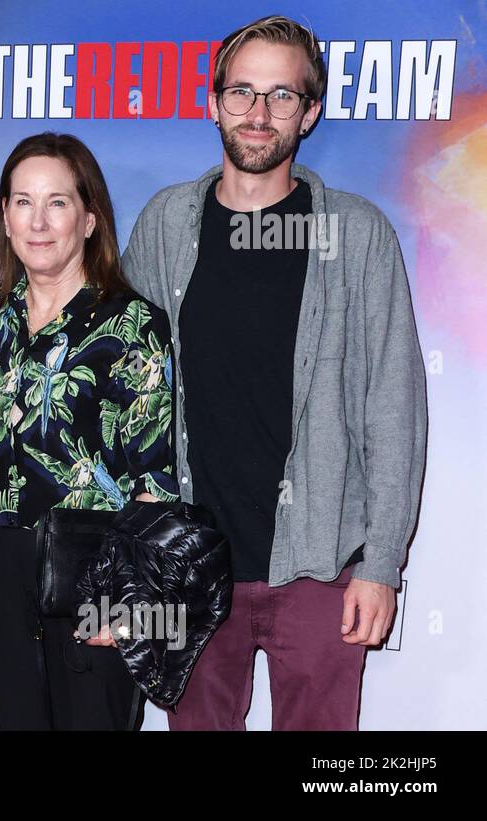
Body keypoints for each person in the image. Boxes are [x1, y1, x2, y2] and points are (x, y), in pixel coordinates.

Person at [122, 15, 427, 731]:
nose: (259, 115)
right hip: (190, 564)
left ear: (310, 112)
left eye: (282, 96)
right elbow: (124, 388)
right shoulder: (166, 224)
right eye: (242, 93)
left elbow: (394, 407)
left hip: (323, 565)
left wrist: (381, 564)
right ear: (213, 102)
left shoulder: (357, 234)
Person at [0, 132, 179, 730]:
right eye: (22, 201)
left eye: (57, 202)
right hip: (2, 579)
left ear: (89, 219)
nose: (38, 221)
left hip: (95, 577)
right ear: (5, 218)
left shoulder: (132, 325)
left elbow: (154, 478)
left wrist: (130, 602)